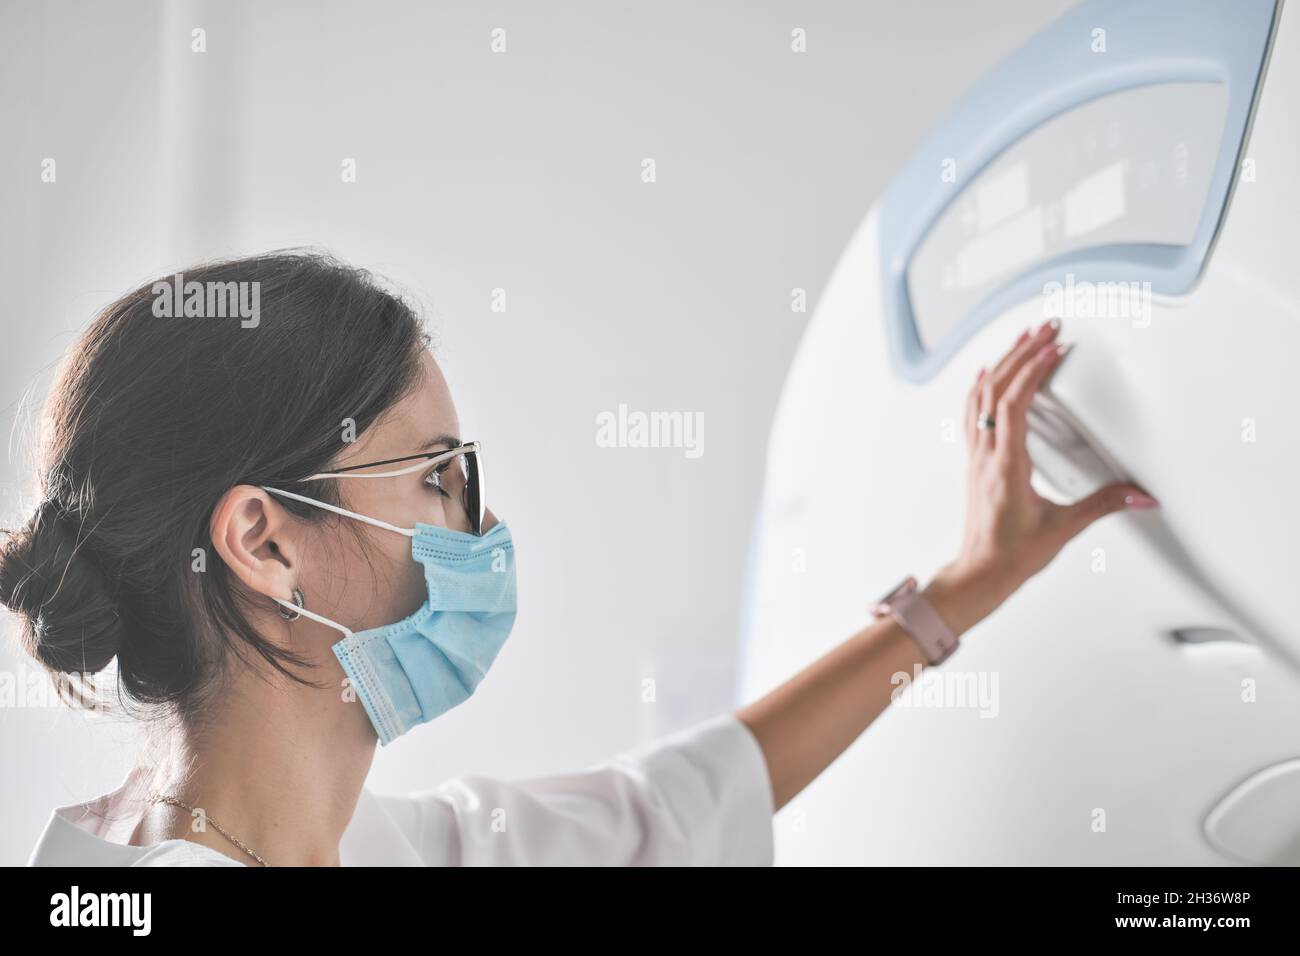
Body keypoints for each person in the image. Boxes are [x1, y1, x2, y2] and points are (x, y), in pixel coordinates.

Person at [3, 252, 1156, 866]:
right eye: (435, 476)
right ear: (265, 539)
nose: (481, 531)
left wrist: (961, 587)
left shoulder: (370, 845)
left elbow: (668, 809)